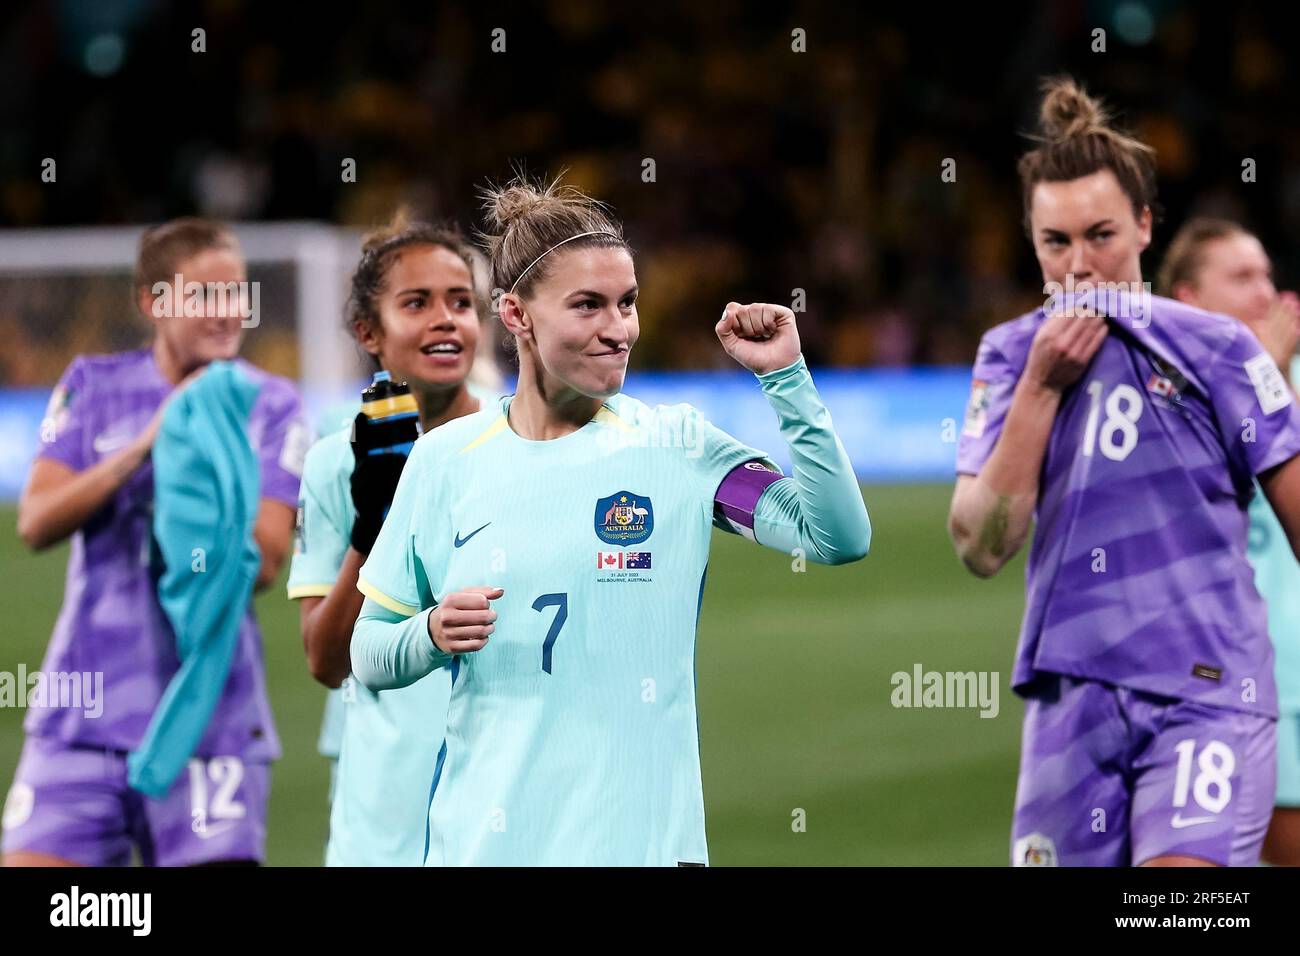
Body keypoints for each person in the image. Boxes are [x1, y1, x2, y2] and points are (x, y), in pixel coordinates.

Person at [348, 174, 872, 865]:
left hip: (646, 850)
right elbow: (369, 653)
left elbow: (836, 537)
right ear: (516, 315)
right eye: (588, 305)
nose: (619, 328)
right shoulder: (445, 460)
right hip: (483, 847)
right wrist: (430, 633)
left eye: (627, 303)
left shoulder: (678, 447)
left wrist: (786, 378)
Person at [949, 78, 1300, 867]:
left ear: (1145, 224)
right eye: (1056, 243)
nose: (1080, 265)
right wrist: (1041, 390)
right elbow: (980, 545)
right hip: (1070, 701)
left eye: (1100, 234)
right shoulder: (1009, 358)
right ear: (1031, 242)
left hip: (1206, 690)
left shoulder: (1223, 350)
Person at [4, 218, 307, 866]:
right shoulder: (94, 385)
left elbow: (264, 560)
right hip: (81, 717)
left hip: (212, 720)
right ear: (152, 302)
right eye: (204, 295)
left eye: (237, 294)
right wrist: (145, 449)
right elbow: (36, 522)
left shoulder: (270, 405)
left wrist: (198, 465)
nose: (228, 312)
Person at [286, 214, 492, 865]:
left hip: (505, 789)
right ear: (367, 332)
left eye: (461, 302)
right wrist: (372, 525)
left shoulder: (524, 443)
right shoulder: (330, 462)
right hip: (384, 807)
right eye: (417, 303)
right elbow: (326, 660)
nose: (446, 319)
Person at [1159, 217, 1300, 865]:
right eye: (1242, 276)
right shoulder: (1160, 395)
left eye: (1268, 274)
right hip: (1238, 679)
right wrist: (1263, 376)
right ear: (1189, 298)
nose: (1266, 292)